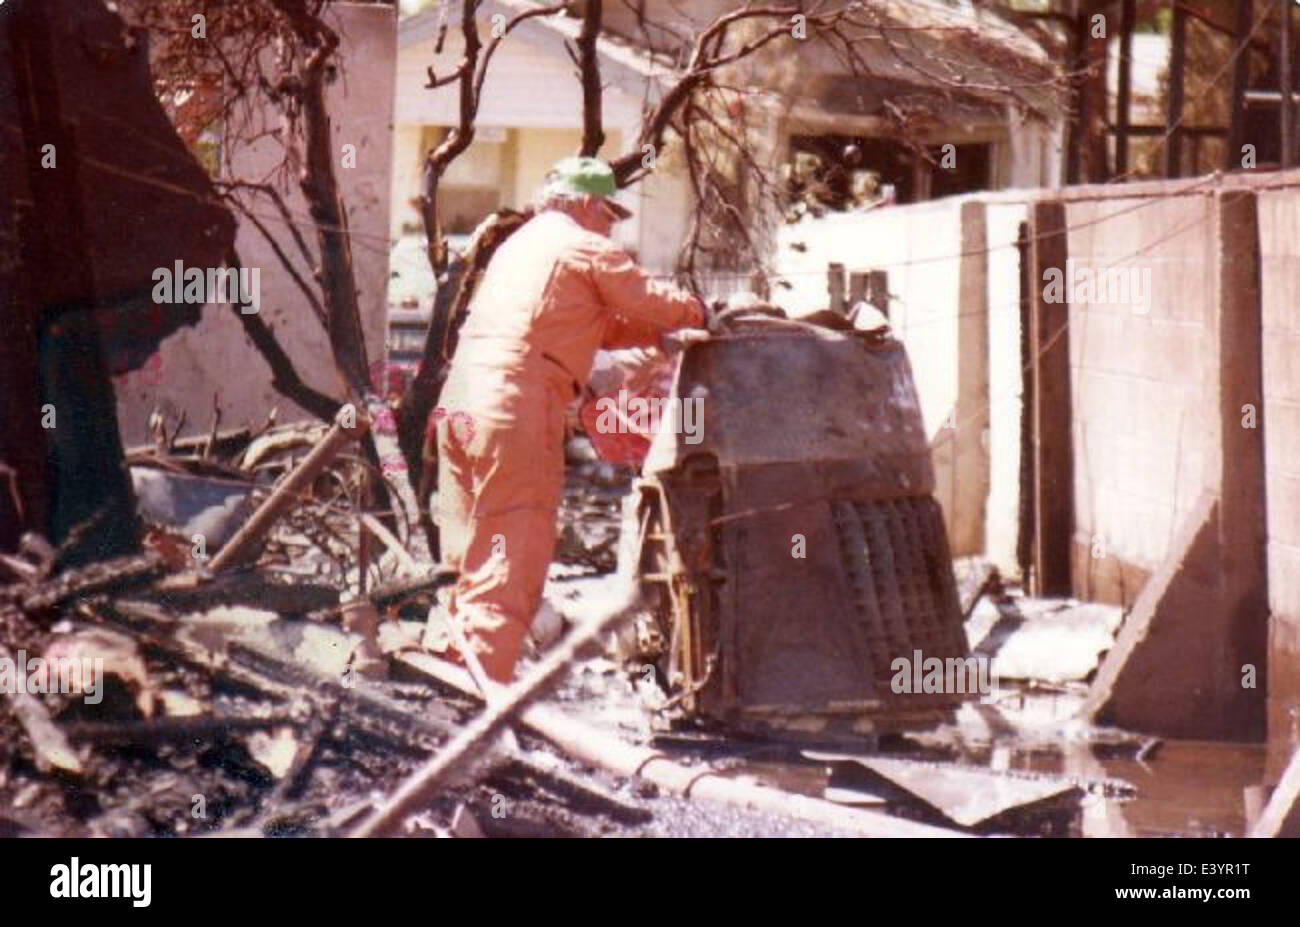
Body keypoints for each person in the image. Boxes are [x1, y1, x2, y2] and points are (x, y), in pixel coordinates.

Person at [426, 156, 705, 682]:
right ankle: (478, 687)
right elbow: (644, 298)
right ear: (585, 203)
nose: (611, 226)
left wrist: (654, 339)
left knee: (466, 546)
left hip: (461, 399)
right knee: (514, 540)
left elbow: (590, 321)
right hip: (514, 402)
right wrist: (699, 313)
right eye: (609, 213)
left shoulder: (521, 247)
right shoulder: (584, 244)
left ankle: (446, 659)